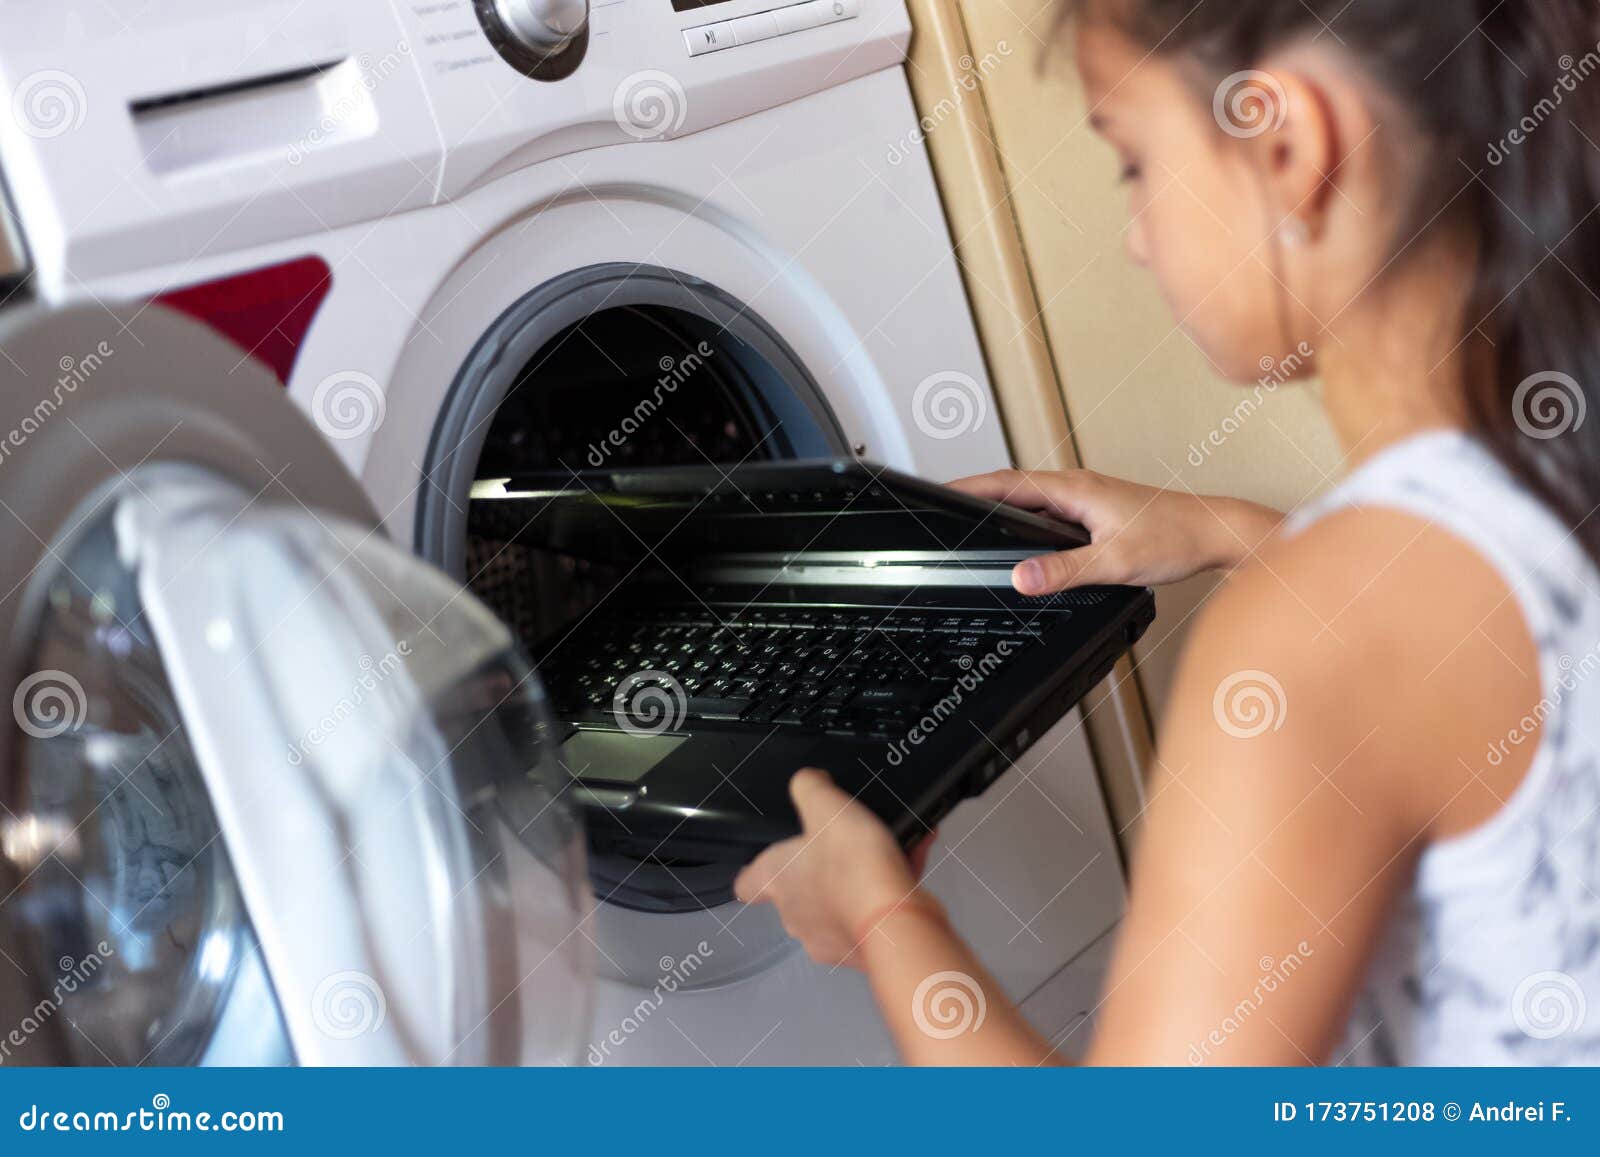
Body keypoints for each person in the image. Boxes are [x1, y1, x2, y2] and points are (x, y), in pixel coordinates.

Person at [735, 0, 1600, 1065]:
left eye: (1134, 163)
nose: (1137, 239)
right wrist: (1233, 528)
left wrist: (877, 916)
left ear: (1286, 146)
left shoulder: (1306, 637)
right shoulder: (1540, 470)